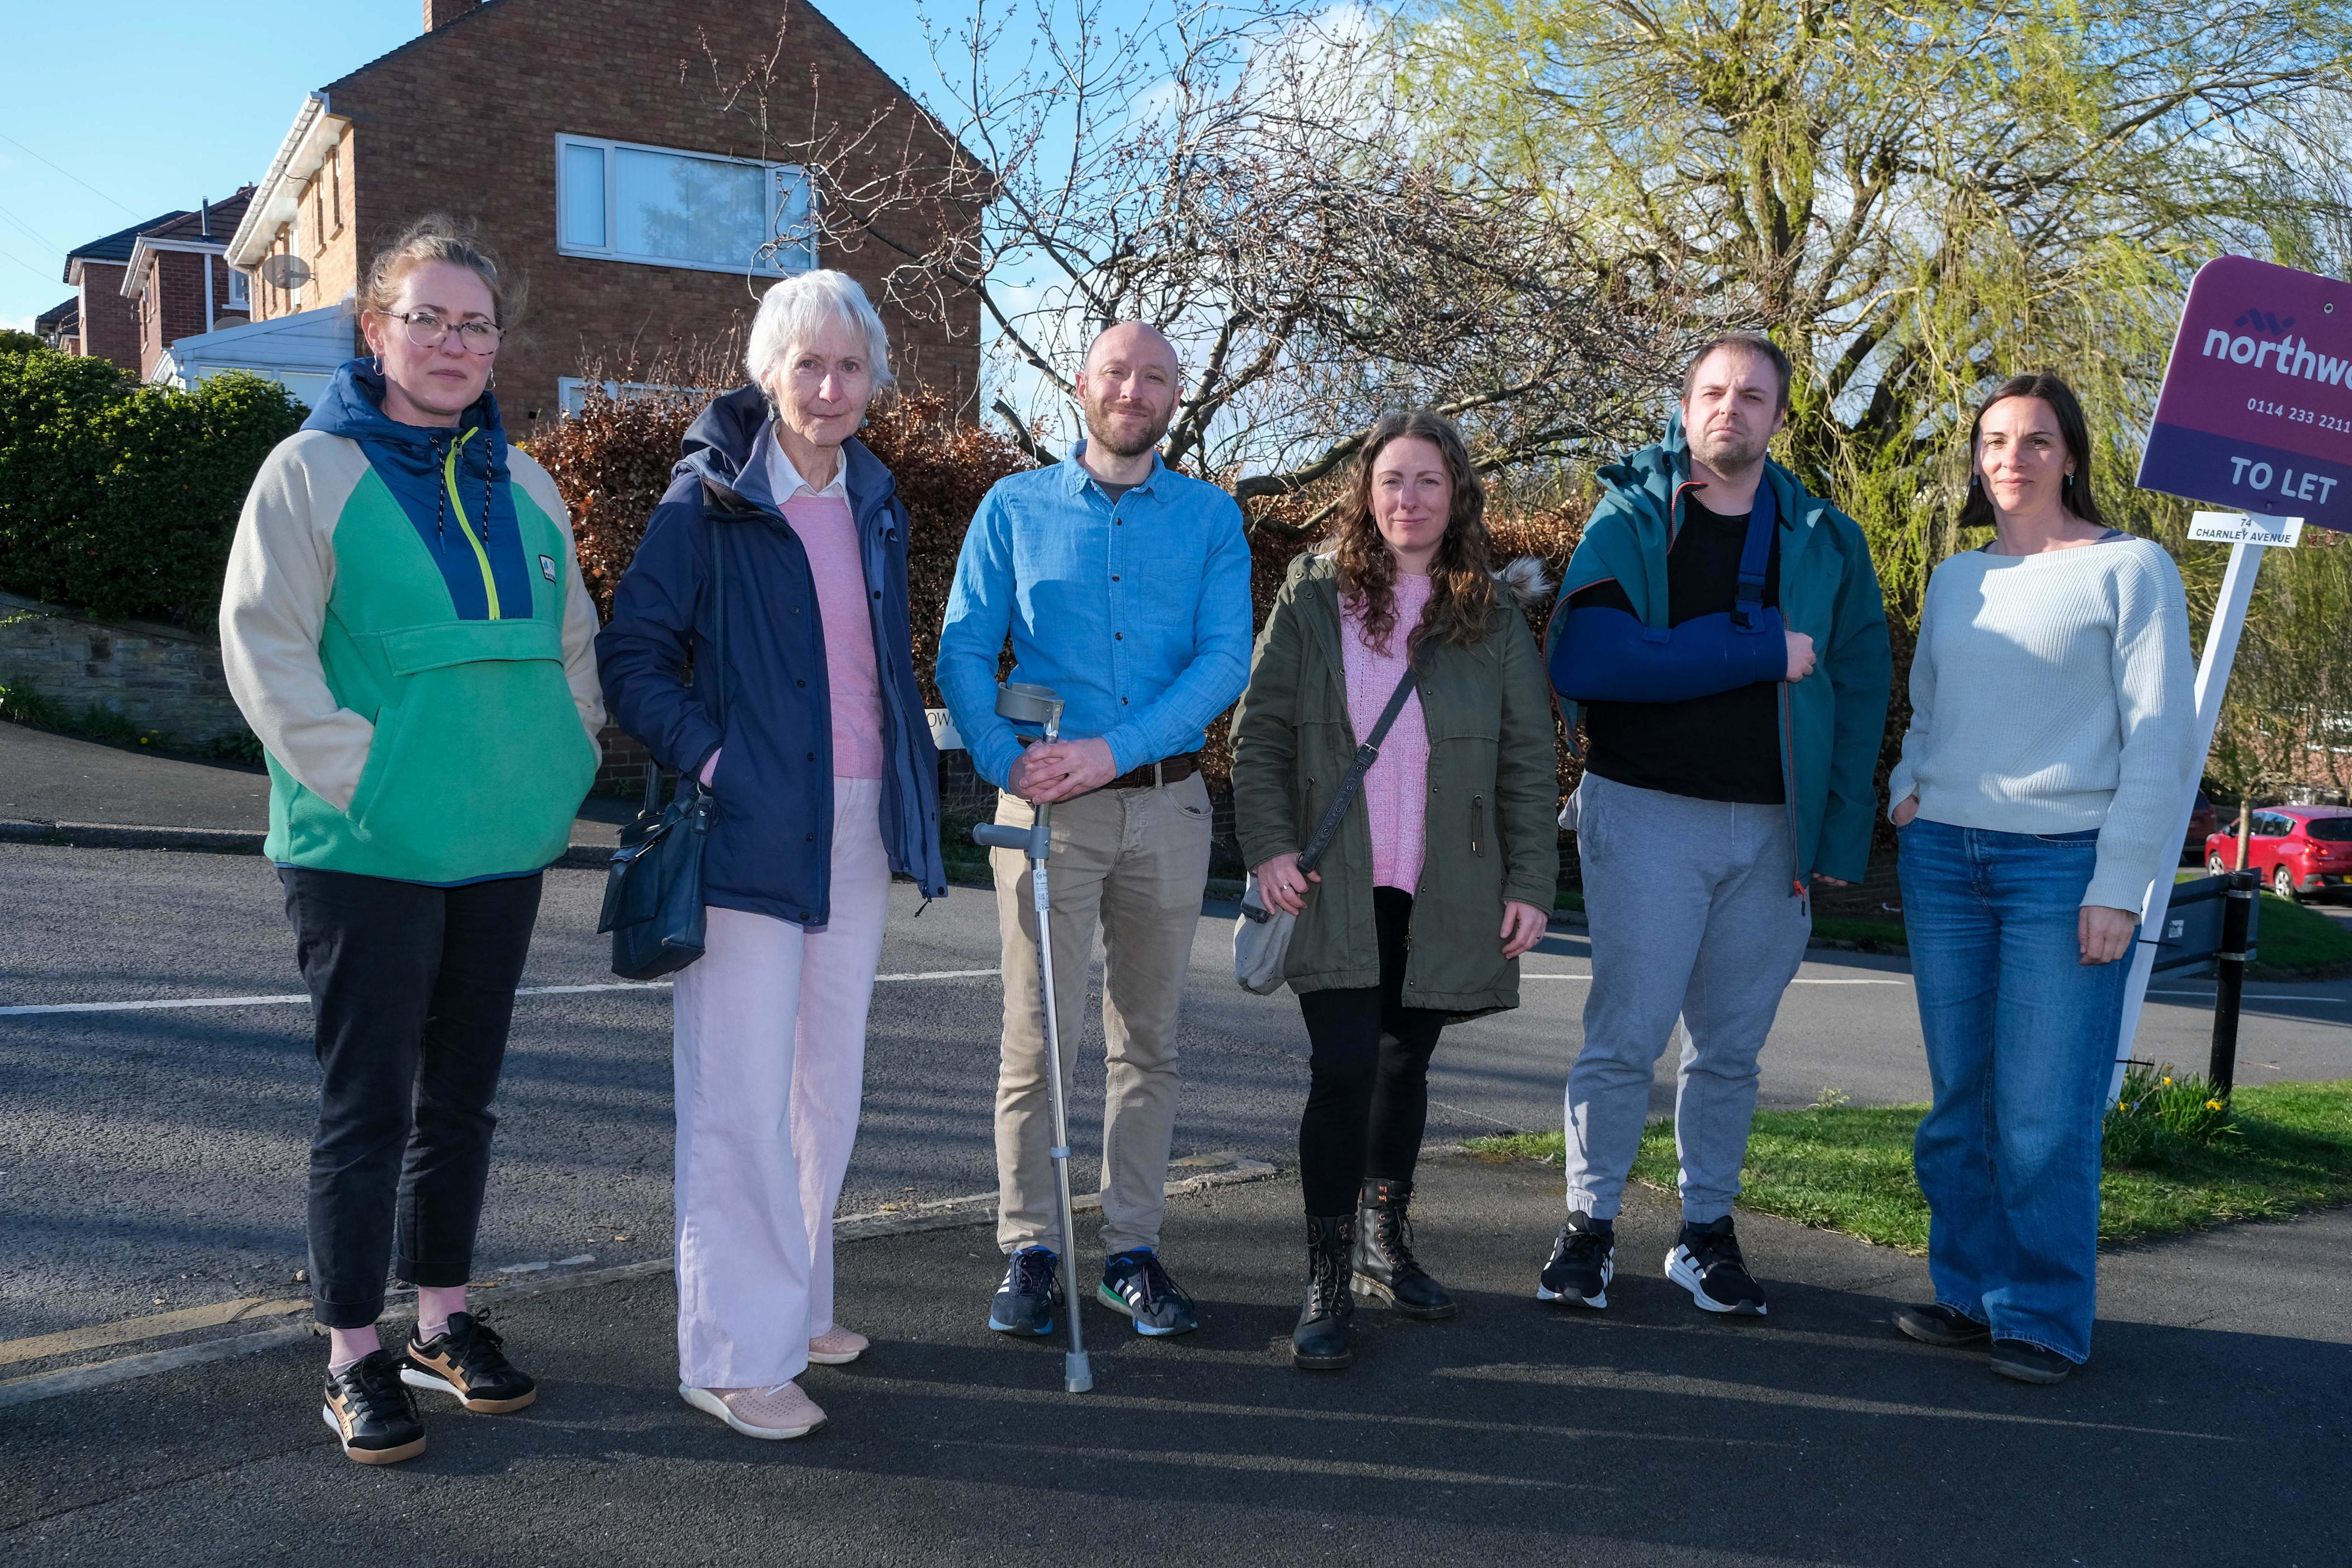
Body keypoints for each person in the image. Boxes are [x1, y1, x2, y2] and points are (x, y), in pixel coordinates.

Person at [220, 216, 604, 1465]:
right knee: (368, 1103)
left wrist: (567, 762)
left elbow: (571, 648)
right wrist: (373, 781)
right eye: (426, 318)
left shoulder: (529, 483)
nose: (451, 341)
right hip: (363, 848)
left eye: (475, 323)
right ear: (375, 331)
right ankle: (352, 1350)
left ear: (499, 346)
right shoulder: (309, 472)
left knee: (464, 1099)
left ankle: (442, 1319)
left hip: (497, 846)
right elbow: (265, 653)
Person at [598, 270, 948, 1439]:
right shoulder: (708, 502)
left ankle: (795, 1306)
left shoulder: (874, 499)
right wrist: (716, 762)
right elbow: (634, 656)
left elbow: (872, 671)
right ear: (768, 371)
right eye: (808, 364)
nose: (831, 386)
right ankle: (731, 1354)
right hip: (748, 827)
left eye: (851, 366)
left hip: (851, 824)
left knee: (822, 1087)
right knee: (739, 1096)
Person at [1542, 333, 1891, 1317]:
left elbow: (1860, 685)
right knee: (1625, 1035)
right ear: (1685, 405)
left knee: (1729, 1049)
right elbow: (1592, 663)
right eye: (1710, 392)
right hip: (1645, 812)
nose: (1727, 409)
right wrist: (1755, 649)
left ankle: (1705, 1233)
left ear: (1778, 415)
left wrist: (1836, 833)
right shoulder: (1629, 516)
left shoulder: (1825, 536)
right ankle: (1588, 1225)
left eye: (1750, 395)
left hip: (1773, 828)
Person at [937, 322, 1253, 1340]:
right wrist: (1002, 757)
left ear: (1172, 397)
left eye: (1153, 376)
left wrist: (1109, 753)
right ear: (1081, 385)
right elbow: (963, 646)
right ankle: (1030, 1247)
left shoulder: (1211, 519)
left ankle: (1131, 1251)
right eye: (1116, 371)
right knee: (1035, 1041)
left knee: (1147, 1044)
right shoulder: (1013, 508)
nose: (1133, 389)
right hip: (1044, 812)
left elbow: (1222, 664)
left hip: (1164, 806)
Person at [1231, 410, 1558, 1370]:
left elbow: (1529, 765)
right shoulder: (1312, 592)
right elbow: (1261, 735)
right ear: (1365, 495)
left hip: (1445, 883)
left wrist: (1531, 881)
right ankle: (1325, 1276)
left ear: (1455, 496)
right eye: (1391, 481)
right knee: (1341, 1070)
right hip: (1331, 877)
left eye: (1427, 481)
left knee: (1404, 1067)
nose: (1407, 499)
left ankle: (1382, 1242)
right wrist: (1267, 849)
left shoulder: (1489, 614)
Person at [1886, 374, 2197, 1385]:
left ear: (2069, 455)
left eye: (2032, 441)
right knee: (1958, 1104)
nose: (2008, 459)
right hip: (1944, 860)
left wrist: (2119, 884)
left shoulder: (2131, 569)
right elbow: (1926, 708)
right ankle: (1969, 1294)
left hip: (2062, 870)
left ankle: (2044, 1317)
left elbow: (2160, 742)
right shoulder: (1953, 581)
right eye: (1991, 442)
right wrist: (1905, 785)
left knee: (2041, 1113)